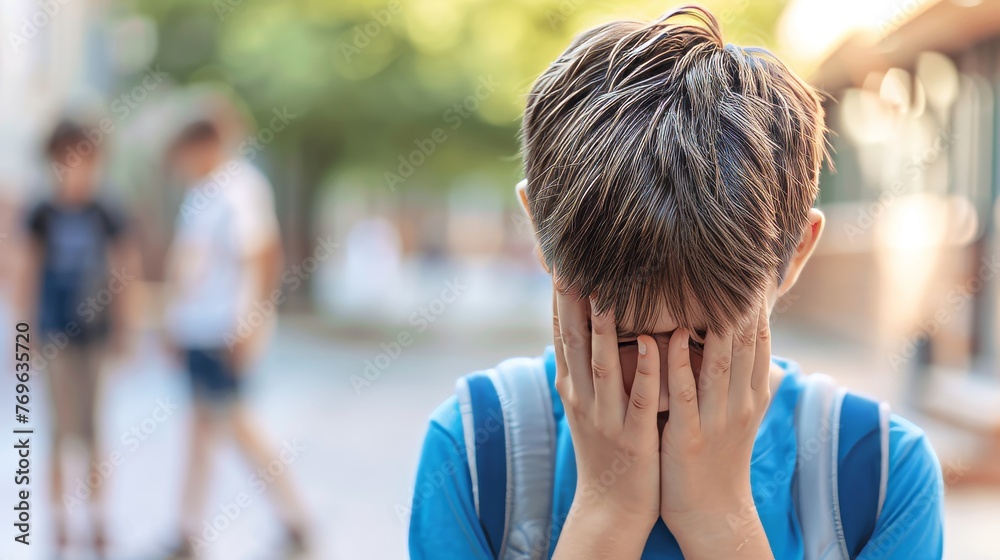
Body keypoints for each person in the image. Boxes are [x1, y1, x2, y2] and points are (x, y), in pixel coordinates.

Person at [408, 7, 944, 560]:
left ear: (795, 254)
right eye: (623, 339)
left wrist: (718, 517)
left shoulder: (878, 477)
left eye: (703, 341)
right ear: (540, 234)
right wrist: (606, 510)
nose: (663, 392)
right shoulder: (478, 456)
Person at [161, 120, 308, 558]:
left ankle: (295, 517)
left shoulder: (240, 188)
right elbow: (188, 264)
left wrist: (251, 321)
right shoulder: (199, 194)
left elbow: (261, 256)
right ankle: (188, 530)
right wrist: (173, 319)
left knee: (238, 426)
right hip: (197, 327)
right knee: (201, 430)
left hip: (224, 331)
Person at [19, 119, 139, 557]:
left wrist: (127, 328)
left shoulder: (107, 210)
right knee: (57, 431)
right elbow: (27, 275)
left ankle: (98, 520)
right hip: (54, 336)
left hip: (96, 336)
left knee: (95, 432)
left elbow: (125, 271)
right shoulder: (41, 212)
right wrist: (22, 337)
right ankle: (59, 525)